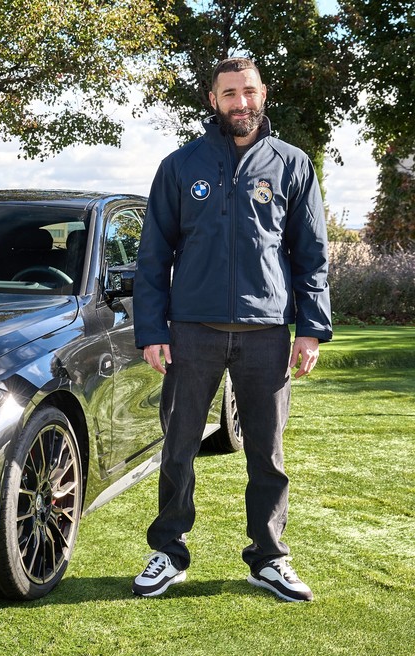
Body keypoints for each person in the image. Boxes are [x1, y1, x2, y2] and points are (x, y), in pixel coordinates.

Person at [130, 57, 332, 603]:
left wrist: (310, 329)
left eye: (248, 92)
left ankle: (268, 559)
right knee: (178, 448)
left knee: (267, 453)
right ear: (213, 100)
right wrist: (152, 329)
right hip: (191, 331)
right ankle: (168, 553)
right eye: (228, 94)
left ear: (262, 93)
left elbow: (310, 256)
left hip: (266, 332)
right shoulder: (180, 166)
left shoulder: (292, 165)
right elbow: (153, 256)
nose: (240, 103)